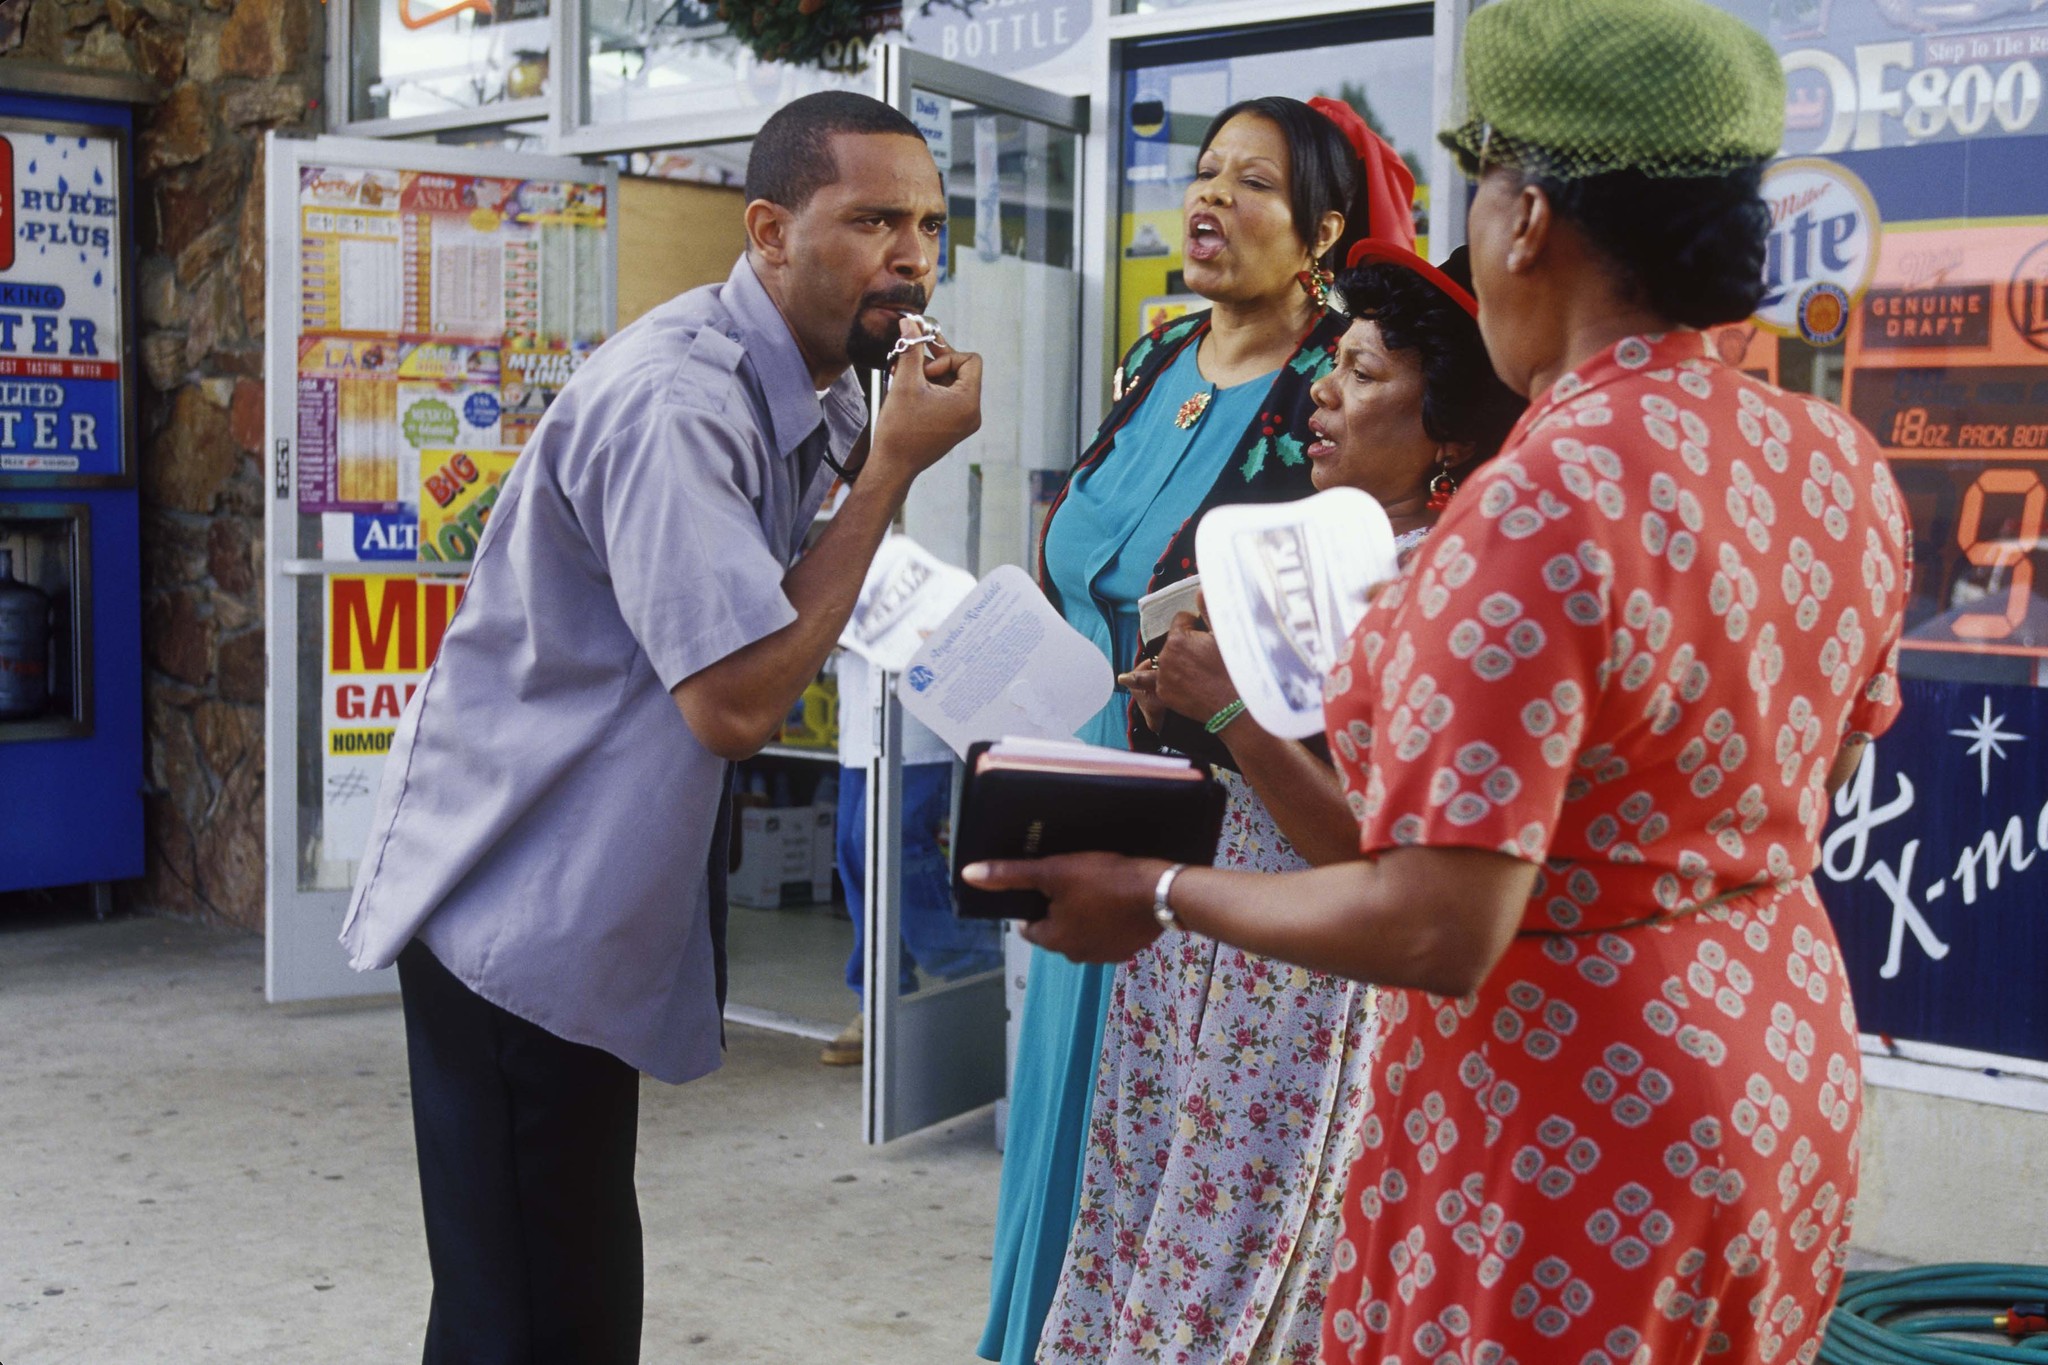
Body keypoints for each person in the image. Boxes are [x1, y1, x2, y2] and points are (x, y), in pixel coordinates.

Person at [964, 1, 1914, 1360]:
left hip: (1577, 1106)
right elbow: (1807, 786)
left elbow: (1438, 923)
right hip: (1781, 1063)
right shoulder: (1834, 462)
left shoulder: (1537, 499)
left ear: (1529, 220)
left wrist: (1156, 890)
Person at [339, 91, 983, 1364]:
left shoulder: (821, 391)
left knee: (554, 1296)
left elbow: (792, 605)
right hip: (512, 903)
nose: (908, 257)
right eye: (868, 221)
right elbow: (739, 701)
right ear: (766, 232)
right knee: (526, 1316)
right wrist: (894, 474)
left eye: (926, 224)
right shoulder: (677, 404)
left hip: (579, 897)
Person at [1039, 244, 1523, 1365]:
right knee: (1137, 1227)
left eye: (1360, 374)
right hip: (1195, 959)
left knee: (1221, 1276)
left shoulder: (1440, 594)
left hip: (1299, 992)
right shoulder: (1293, 552)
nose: (1320, 390)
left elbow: (1379, 859)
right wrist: (1176, 700)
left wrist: (1230, 719)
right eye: (1332, 367)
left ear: (1445, 430)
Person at [981, 94, 1403, 1365]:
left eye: (1252, 185)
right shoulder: (1154, 356)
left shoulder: (1345, 387)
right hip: (1079, 769)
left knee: (1187, 1170)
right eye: (1203, 174)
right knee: (1074, 1123)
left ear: (1322, 227)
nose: (1208, 200)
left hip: (1225, 823)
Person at [819, 653, 1000, 1066]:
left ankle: (976, 980)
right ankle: (879, 999)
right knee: (855, 848)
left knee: (894, 844)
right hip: (861, 707)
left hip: (920, 697)